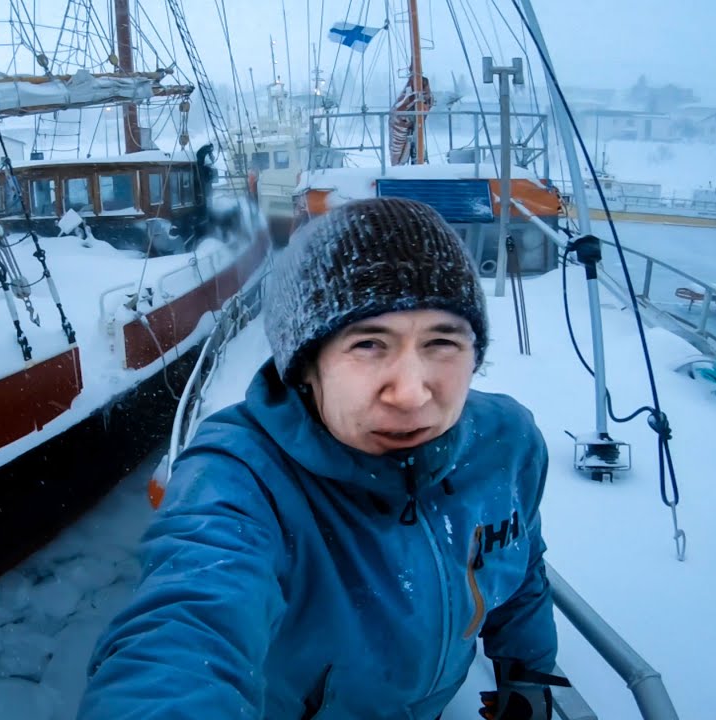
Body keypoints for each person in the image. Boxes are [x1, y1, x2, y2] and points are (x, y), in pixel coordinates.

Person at [79, 197, 564, 720]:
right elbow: (188, 622)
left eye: (443, 341)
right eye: (369, 344)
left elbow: (520, 562)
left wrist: (528, 669)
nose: (411, 393)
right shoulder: (239, 477)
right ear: (305, 368)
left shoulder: (507, 442)